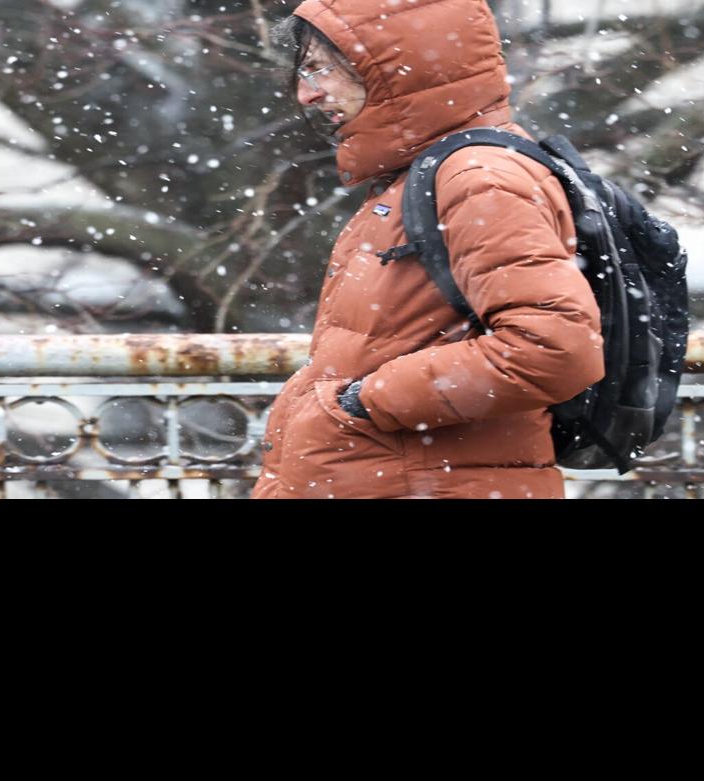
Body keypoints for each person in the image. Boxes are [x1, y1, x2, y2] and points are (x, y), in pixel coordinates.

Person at [250, 0, 604, 499]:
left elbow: (553, 349)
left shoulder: (478, 178)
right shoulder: (427, 175)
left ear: (391, 65)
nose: (306, 93)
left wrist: (365, 402)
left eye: (319, 68)